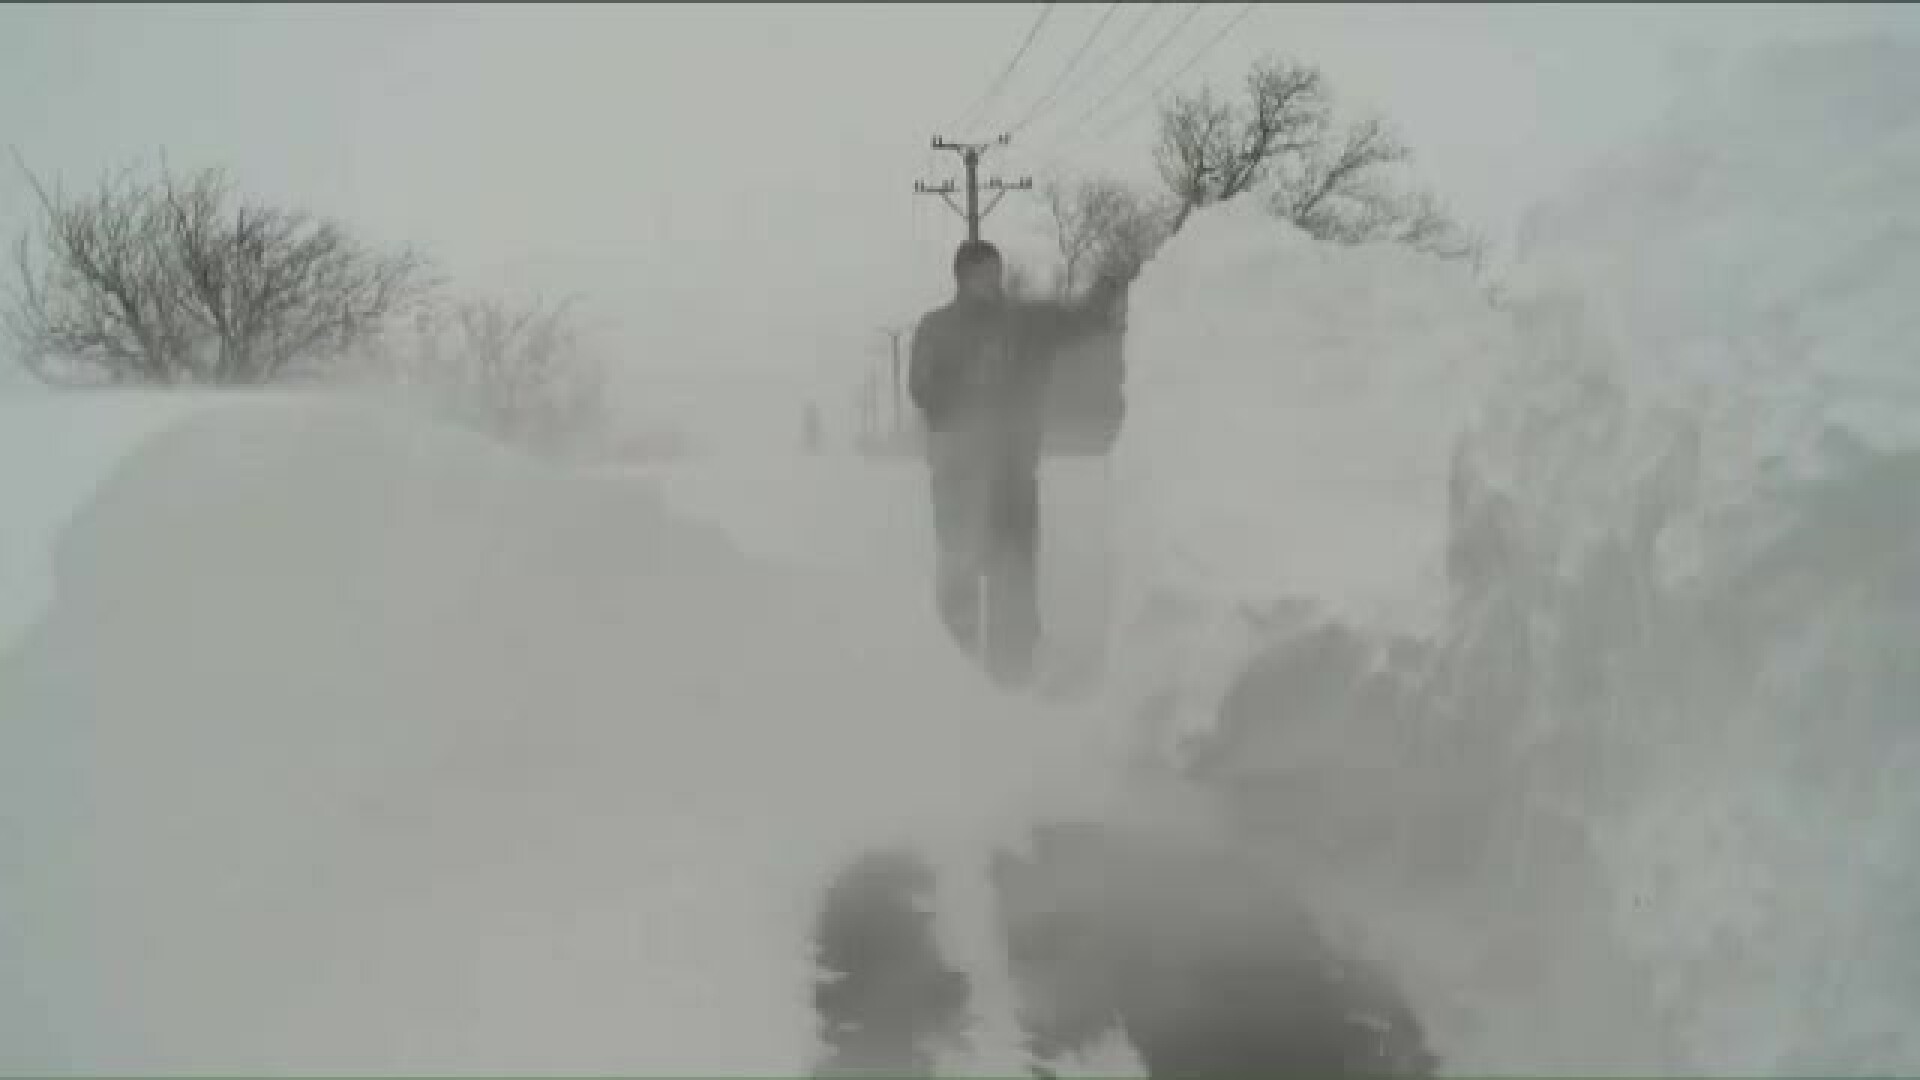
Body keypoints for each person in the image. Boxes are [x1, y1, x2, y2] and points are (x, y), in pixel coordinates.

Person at [907, 241, 1118, 689]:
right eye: (983, 274)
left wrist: (1101, 298)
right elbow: (922, 390)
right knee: (960, 568)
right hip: (960, 477)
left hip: (1014, 475)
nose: (993, 281)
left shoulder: (1023, 323)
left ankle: (1015, 666)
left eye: (996, 273)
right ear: (962, 277)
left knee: (1016, 571)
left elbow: (1075, 321)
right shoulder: (937, 328)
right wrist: (970, 395)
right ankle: (957, 671)